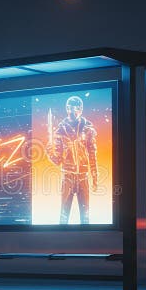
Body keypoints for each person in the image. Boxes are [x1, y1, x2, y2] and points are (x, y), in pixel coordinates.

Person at [49, 95, 98, 224]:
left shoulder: (88, 129)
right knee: (63, 217)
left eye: (77, 108)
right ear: (67, 108)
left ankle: (87, 238)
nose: (73, 111)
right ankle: (61, 237)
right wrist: (49, 150)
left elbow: (92, 154)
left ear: (81, 109)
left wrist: (95, 177)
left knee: (85, 217)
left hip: (83, 177)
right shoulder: (60, 130)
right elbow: (57, 160)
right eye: (70, 108)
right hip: (68, 177)